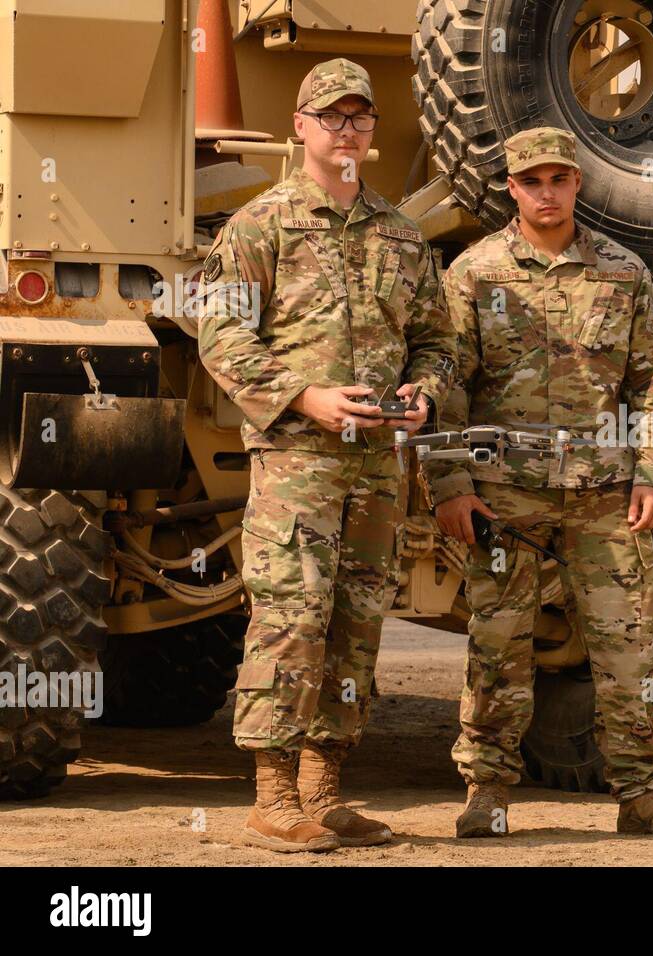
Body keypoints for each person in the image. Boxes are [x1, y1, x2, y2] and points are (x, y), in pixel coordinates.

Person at [199, 58, 455, 853]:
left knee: (357, 623)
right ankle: (271, 794)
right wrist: (304, 395)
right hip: (298, 461)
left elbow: (438, 342)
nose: (346, 131)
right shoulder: (261, 226)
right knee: (289, 619)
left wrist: (425, 393)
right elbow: (221, 336)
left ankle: (324, 790)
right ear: (301, 129)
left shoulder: (402, 236)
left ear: (372, 133)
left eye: (360, 118)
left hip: (379, 465)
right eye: (331, 117)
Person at [426, 126, 653, 838]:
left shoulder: (624, 273)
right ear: (511, 189)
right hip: (504, 493)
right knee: (499, 642)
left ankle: (642, 793)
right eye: (530, 182)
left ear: (578, 182)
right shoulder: (474, 273)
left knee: (627, 641)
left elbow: (650, 387)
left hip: (604, 491)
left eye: (558, 179)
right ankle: (487, 792)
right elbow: (444, 384)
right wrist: (449, 485)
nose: (545, 194)